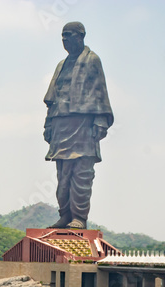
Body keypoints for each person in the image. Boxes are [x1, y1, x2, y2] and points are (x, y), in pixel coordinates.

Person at [43, 21, 114, 230]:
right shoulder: (61, 65)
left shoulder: (92, 60)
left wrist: (100, 120)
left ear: (81, 36)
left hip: (83, 125)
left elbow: (100, 91)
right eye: (62, 36)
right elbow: (52, 98)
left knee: (82, 173)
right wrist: (48, 125)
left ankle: (79, 218)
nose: (65, 40)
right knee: (62, 176)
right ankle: (65, 215)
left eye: (69, 35)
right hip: (60, 124)